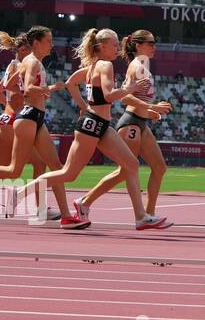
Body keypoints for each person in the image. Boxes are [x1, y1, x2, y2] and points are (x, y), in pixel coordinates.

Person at [17, 28, 169, 230]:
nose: (118, 49)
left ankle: (141, 217)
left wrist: (83, 105)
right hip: (91, 125)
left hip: (101, 125)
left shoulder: (92, 66)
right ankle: (20, 192)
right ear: (103, 46)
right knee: (68, 174)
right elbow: (108, 96)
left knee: (131, 164)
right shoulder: (105, 65)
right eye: (114, 45)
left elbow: (72, 83)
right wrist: (129, 89)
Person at [0, 26, 79, 226]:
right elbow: (28, 89)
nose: (52, 45)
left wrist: (33, 91)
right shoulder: (31, 62)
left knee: (54, 166)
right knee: (13, 170)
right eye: (48, 40)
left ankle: (66, 215)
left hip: (36, 117)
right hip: (28, 116)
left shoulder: (27, 63)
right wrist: (50, 88)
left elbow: (9, 87)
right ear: (36, 43)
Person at [74, 29, 173, 221]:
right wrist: (150, 106)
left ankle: (149, 212)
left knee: (159, 167)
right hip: (131, 123)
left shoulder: (144, 64)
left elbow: (135, 96)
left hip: (141, 121)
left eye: (154, 43)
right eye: (150, 43)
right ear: (138, 46)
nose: (154, 47)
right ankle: (85, 202)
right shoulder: (137, 65)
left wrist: (148, 111)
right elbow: (125, 97)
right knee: (125, 170)